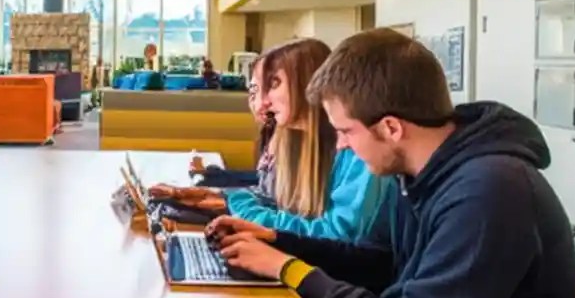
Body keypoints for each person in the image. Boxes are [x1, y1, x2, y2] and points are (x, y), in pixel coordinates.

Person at [210, 28, 575, 298]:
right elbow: (379, 261)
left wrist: (289, 269)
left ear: (390, 127)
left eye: (346, 132)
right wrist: (277, 240)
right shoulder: (422, 173)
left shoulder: (491, 192)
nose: (343, 148)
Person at [152, 39, 394, 244]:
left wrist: (237, 205)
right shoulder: (291, 141)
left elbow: (334, 239)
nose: (262, 102)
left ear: (309, 84)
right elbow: (276, 204)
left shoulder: (359, 151)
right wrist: (218, 198)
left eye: (274, 84)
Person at [190, 56, 273, 189]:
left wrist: (222, 198)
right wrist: (213, 176)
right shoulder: (272, 130)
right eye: (253, 92)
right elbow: (262, 180)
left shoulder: (294, 141)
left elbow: (271, 197)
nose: (259, 103)